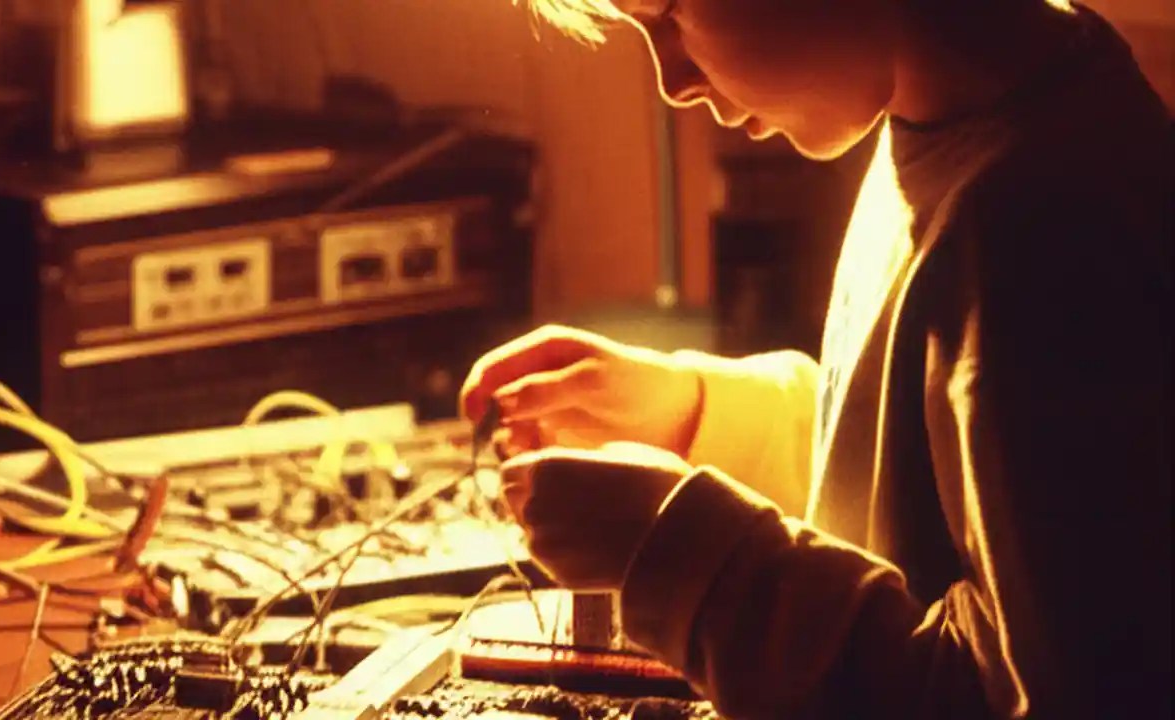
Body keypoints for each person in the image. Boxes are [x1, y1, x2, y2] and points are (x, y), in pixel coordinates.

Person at [459, 0, 1173, 717]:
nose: (671, 80)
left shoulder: (1054, 227)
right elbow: (932, 498)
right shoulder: (950, 125)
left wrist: (690, 558)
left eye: (670, 10)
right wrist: (701, 417)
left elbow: (1027, 699)